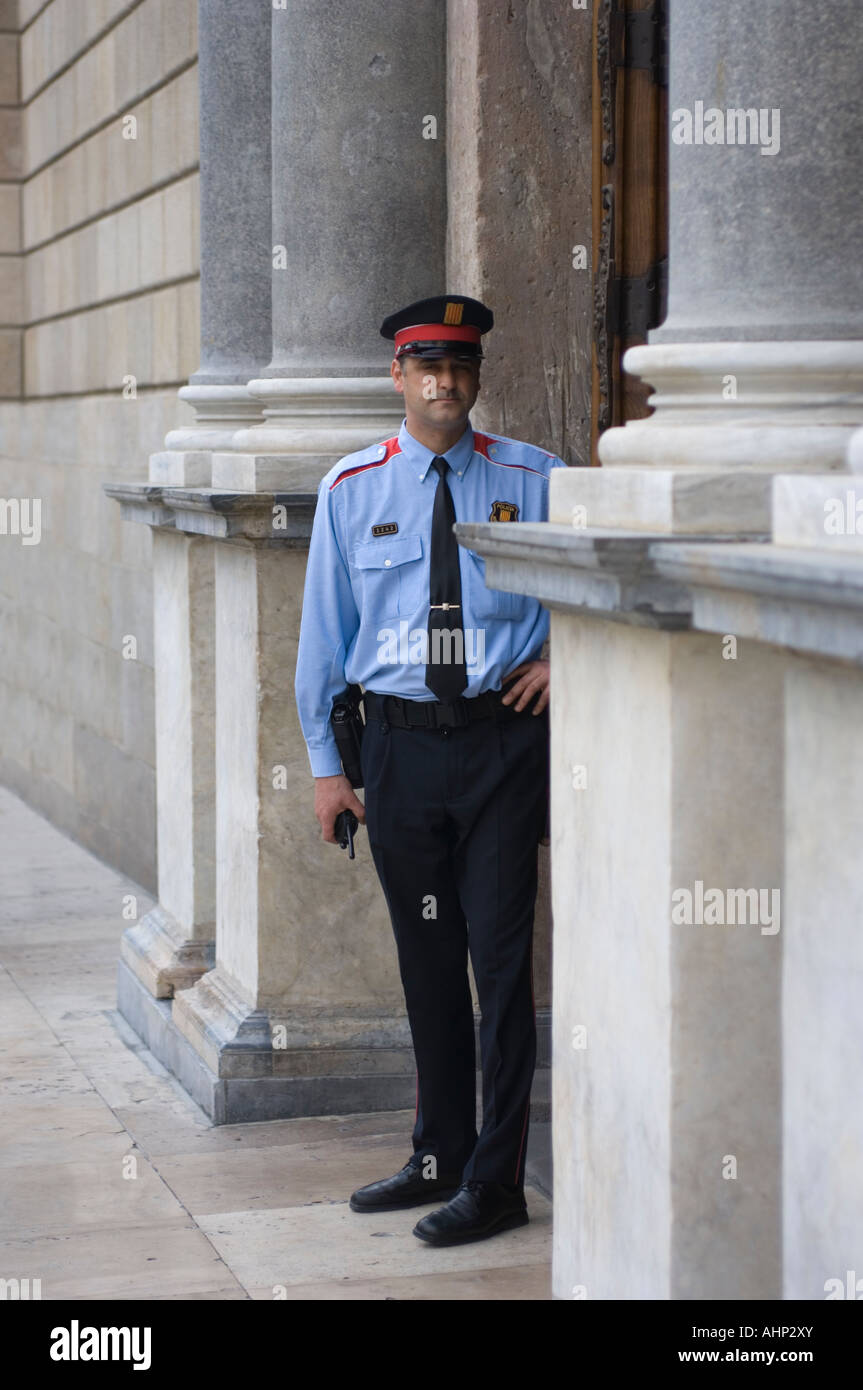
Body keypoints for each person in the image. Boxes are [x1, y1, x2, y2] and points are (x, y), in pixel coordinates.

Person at [295, 294, 566, 1246]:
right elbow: (323, 642)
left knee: (499, 962)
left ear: (477, 376)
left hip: (500, 747)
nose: (444, 382)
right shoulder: (351, 487)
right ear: (398, 377)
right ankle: (438, 1155)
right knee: (426, 963)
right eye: (426, 367)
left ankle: (496, 1181)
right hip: (399, 752)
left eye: (459, 366)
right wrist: (330, 771)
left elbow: (588, 590)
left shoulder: (535, 477)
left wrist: (560, 656)